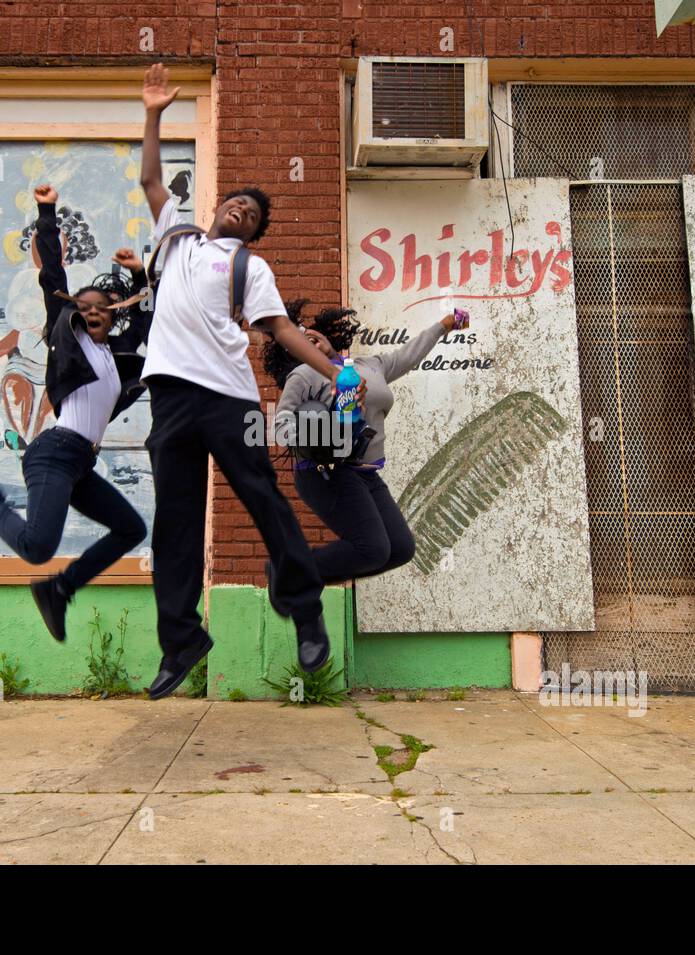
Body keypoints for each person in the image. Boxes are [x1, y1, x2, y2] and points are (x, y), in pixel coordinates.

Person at [139, 63, 349, 699]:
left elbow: (281, 331)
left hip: (228, 398)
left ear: (255, 232)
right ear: (215, 208)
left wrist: (338, 372)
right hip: (170, 397)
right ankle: (182, 640)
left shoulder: (249, 268)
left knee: (264, 500)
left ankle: (305, 610)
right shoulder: (174, 239)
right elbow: (150, 177)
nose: (242, 208)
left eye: (253, 212)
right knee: (174, 522)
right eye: (236, 201)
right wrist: (153, 112)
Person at [0, 184, 151, 642]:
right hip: (53, 453)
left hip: (79, 463)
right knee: (37, 547)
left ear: (111, 317)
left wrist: (137, 278)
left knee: (131, 528)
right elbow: (52, 270)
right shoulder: (66, 335)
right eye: (84, 305)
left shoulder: (116, 355)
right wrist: (46, 210)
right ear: (75, 311)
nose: (92, 311)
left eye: (102, 308)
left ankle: (60, 588)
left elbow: (142, 321)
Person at [265, 299, 470, 584]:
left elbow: (409, 355)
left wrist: (443, 326)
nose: (307, 337)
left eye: (310, 332)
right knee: (373, 549)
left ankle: (299, 576)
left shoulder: (369, 365)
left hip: (365, 471)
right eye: (299, 338)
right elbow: (281, 425)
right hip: (326, 472)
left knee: (400, 549)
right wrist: (315, 438)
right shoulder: (302, 375)